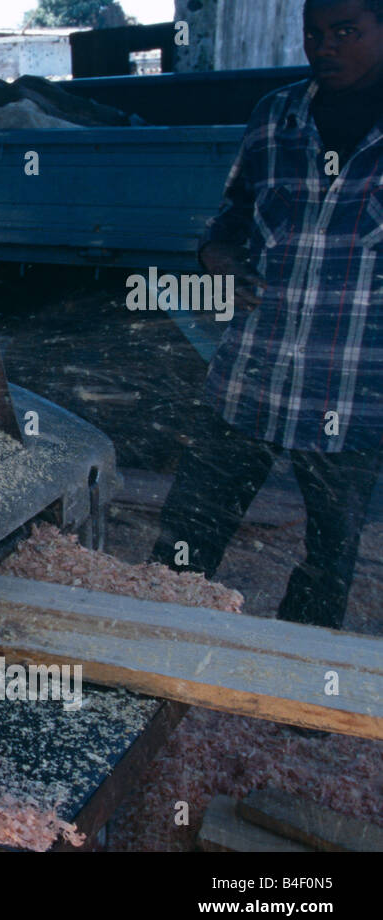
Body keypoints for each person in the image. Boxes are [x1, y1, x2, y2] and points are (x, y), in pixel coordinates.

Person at [150, 0, 383, 630]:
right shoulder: (277, 116)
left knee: (330, 555)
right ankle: (148, 654)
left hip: (353, 393)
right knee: (185, 535)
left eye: (345, 32)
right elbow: (228, 218)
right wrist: (216, 254)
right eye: (313, 34)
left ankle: (302, 693)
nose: (324, 47)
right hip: (251, 377)